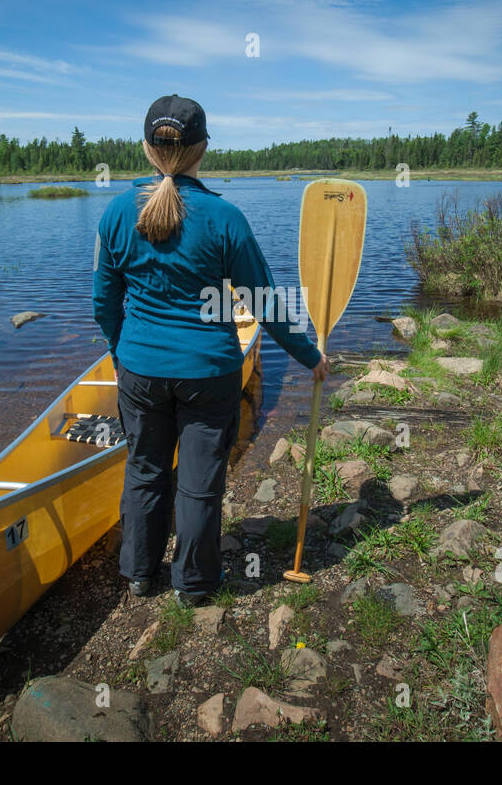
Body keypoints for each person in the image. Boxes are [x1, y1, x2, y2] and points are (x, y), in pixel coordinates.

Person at [93, 95, 328, 606]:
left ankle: (138, 573)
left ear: (146, 149)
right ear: (202, 150)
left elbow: (103, 303)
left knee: (145, 468)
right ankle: (194, 585)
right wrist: (311, 356)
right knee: (199, 483)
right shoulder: (224, 218)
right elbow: (264, 302)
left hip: (140, 370)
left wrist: (122, 350)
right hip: (208, 375)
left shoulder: (115, 212)